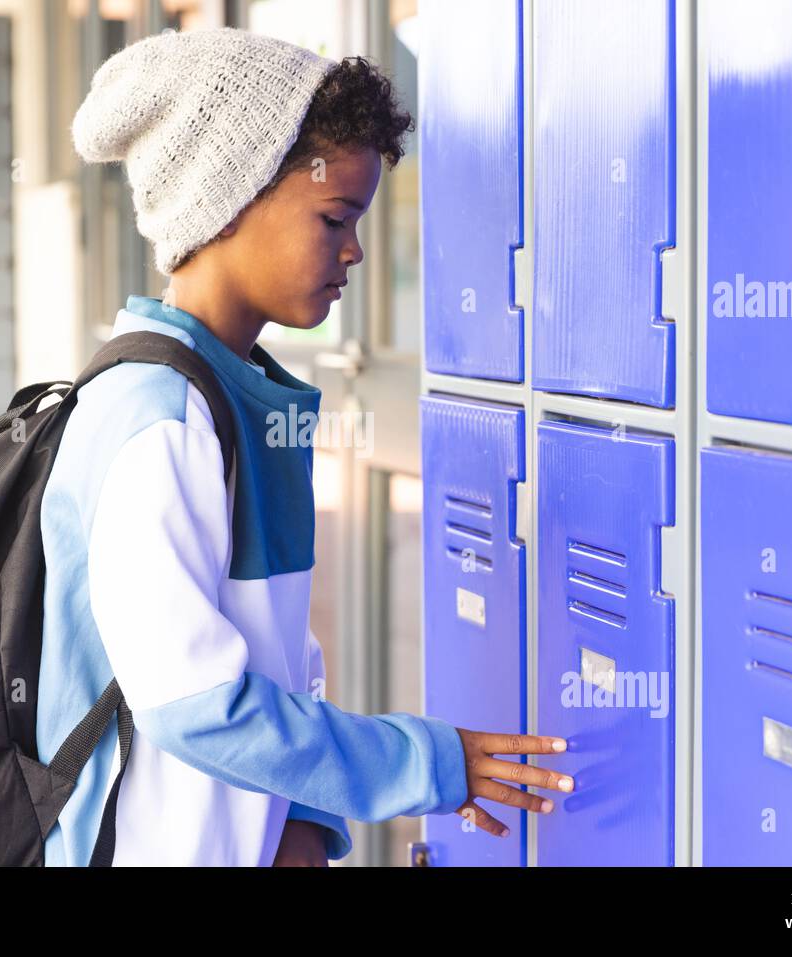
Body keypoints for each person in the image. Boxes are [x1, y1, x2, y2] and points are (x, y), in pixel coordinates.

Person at [34, 26, 572, 868]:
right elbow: (196, 701)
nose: (355, 248)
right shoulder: (159, 417)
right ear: (230, 201)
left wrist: (305, 822)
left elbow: (274, 662)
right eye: (334, 217)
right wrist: (426, 764)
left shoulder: (234, 390)